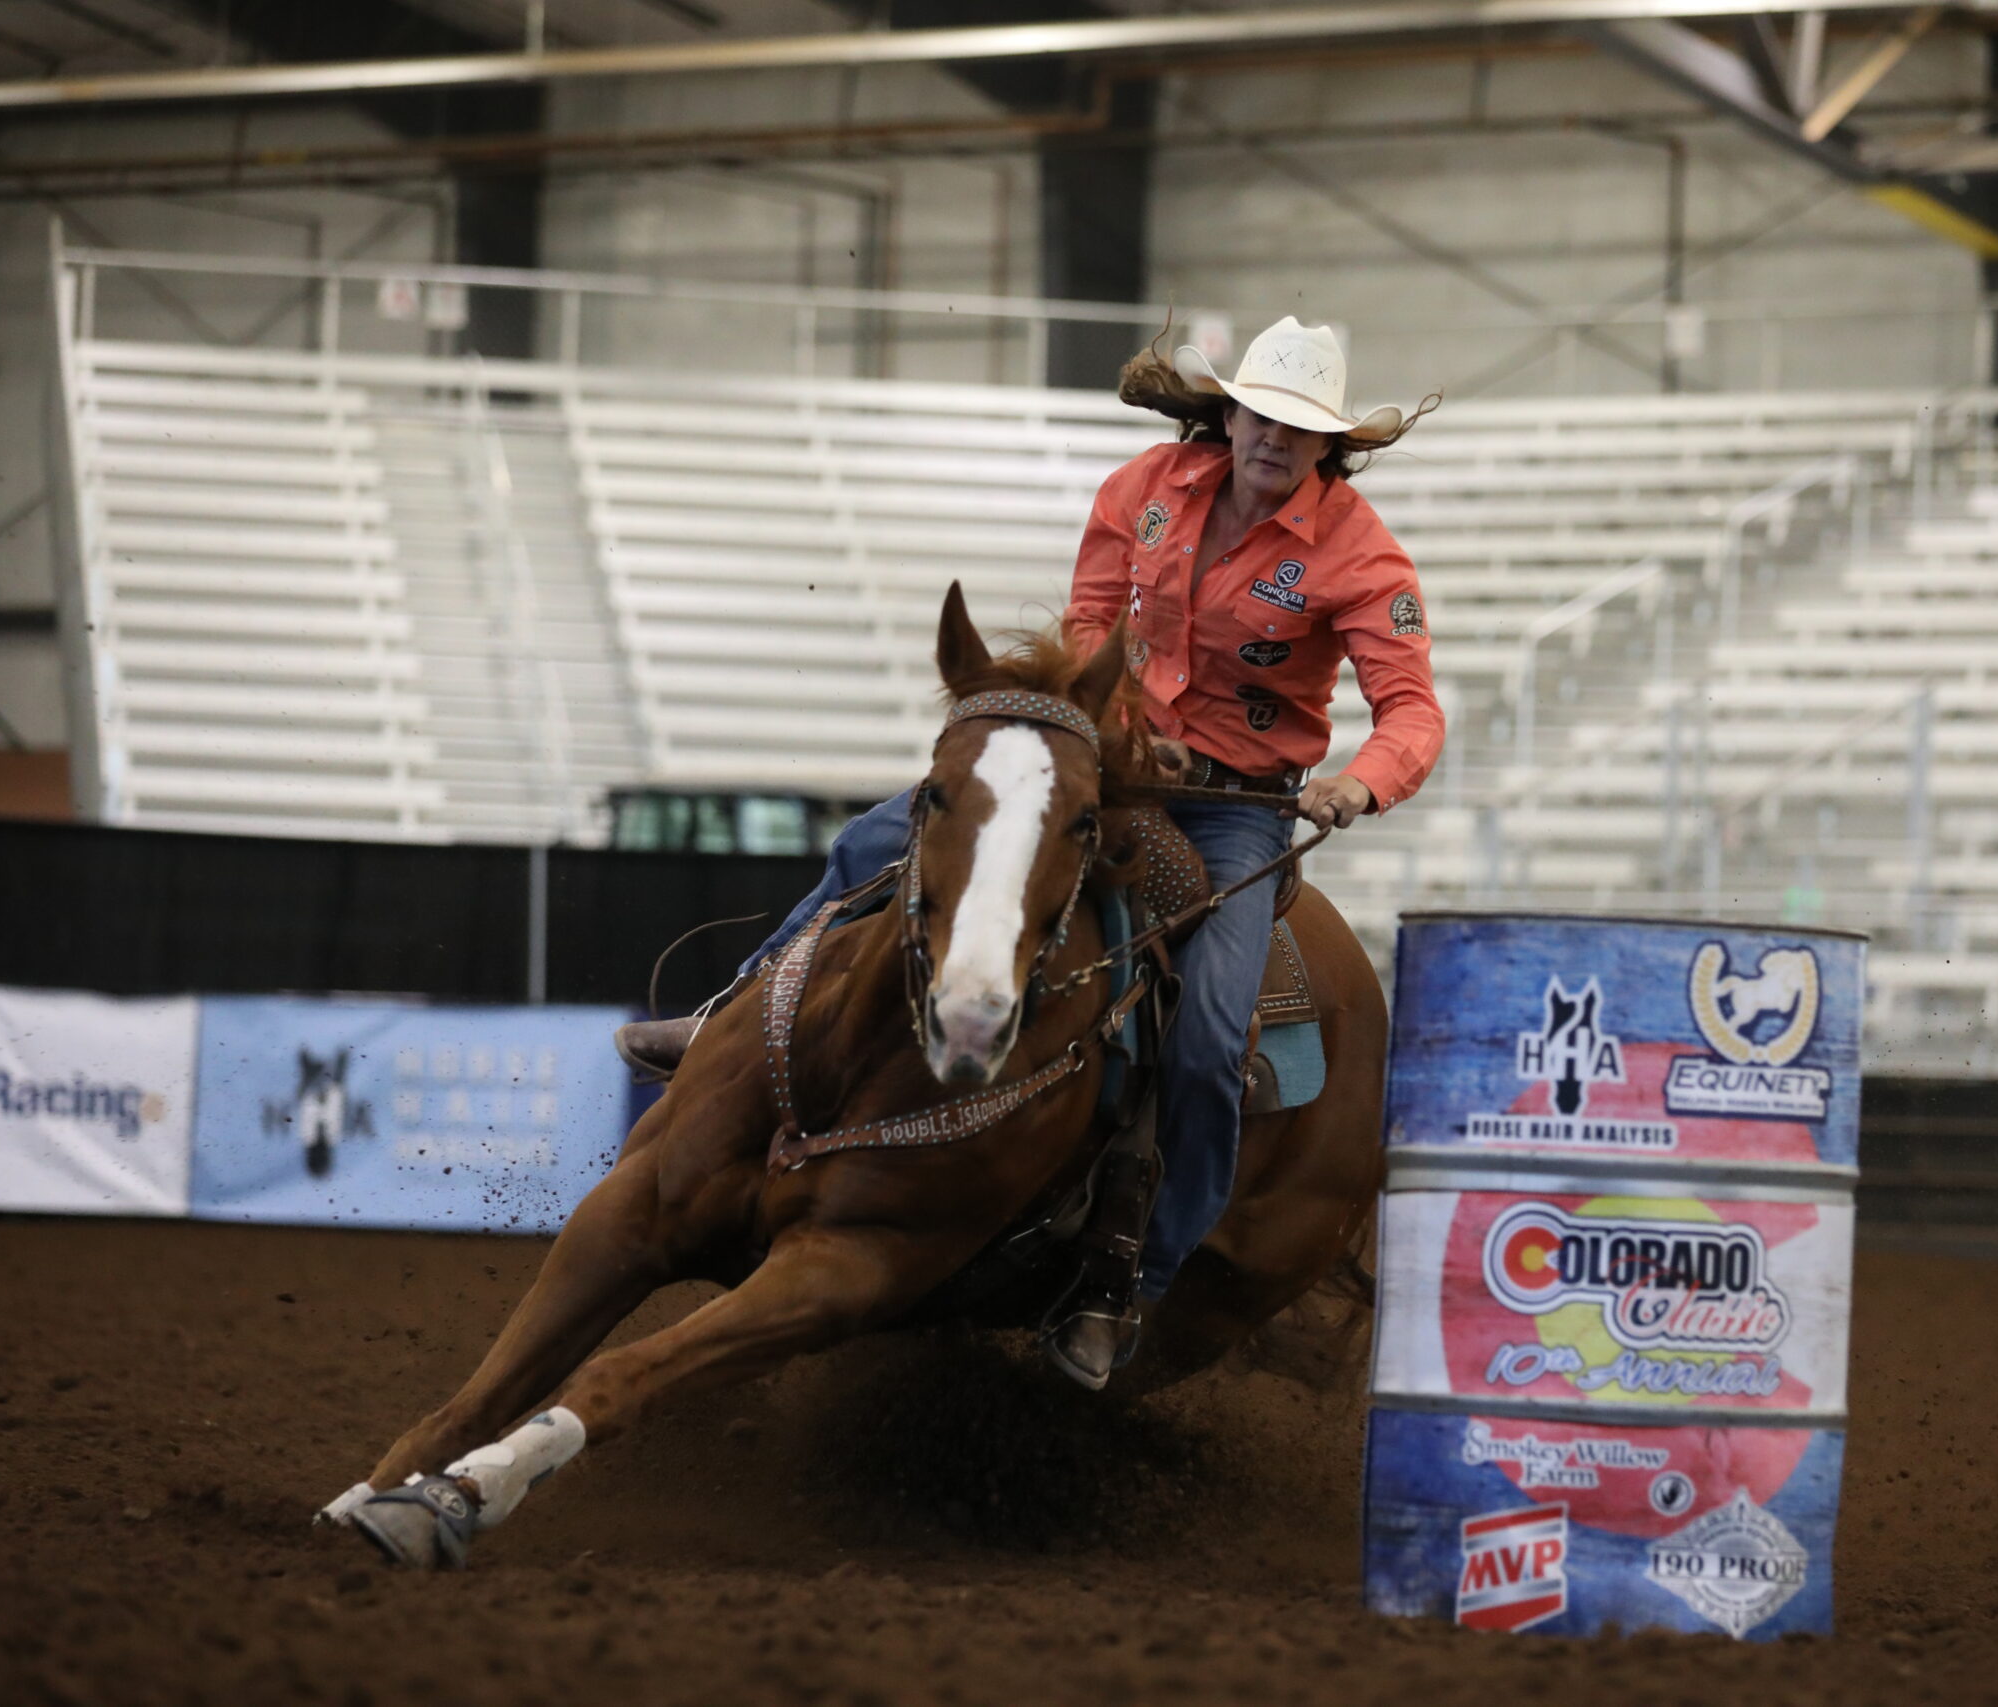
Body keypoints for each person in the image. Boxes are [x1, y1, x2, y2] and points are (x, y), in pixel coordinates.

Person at [615, 317, 1445, 1386]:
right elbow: (1091, 618)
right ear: (1229, 414)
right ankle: (728, 1012)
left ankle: (1128, 1278)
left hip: (1233, 809)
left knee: (1206, 1039)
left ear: (1328, 444)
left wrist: (1358, 782)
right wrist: (1107, 720)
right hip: (1107, 760)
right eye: (1259, 415)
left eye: (1298, 427)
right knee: (874, 840)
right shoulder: (1145, 487)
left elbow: (1411, 709)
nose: (1273, 439)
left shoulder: (1361, 556)